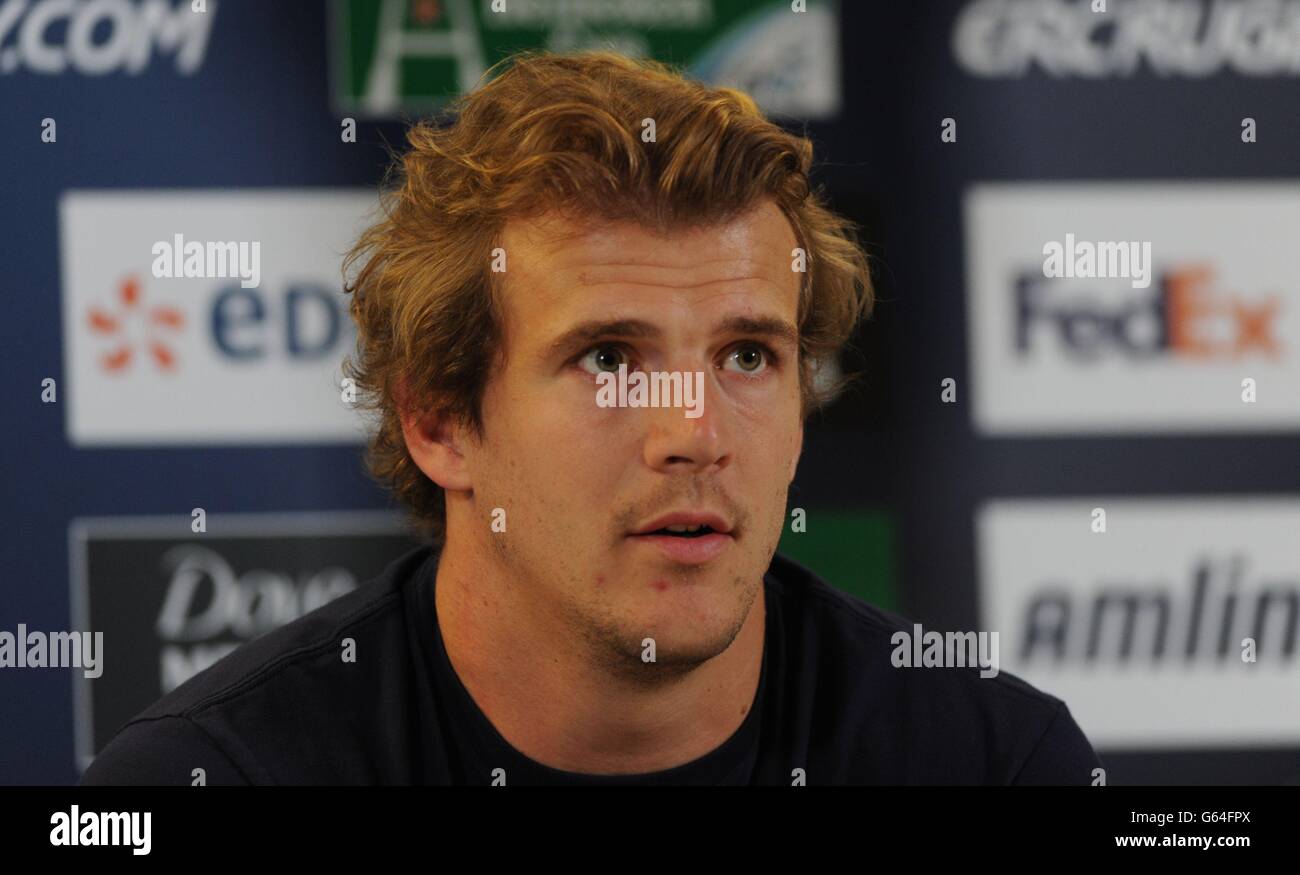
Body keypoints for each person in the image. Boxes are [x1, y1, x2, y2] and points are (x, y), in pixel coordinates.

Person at [81, 50, 1101, 785]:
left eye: (748, 355)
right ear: (440, 422)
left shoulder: (992, 759)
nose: (692, 432)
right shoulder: (213, 774)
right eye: (609, 358)